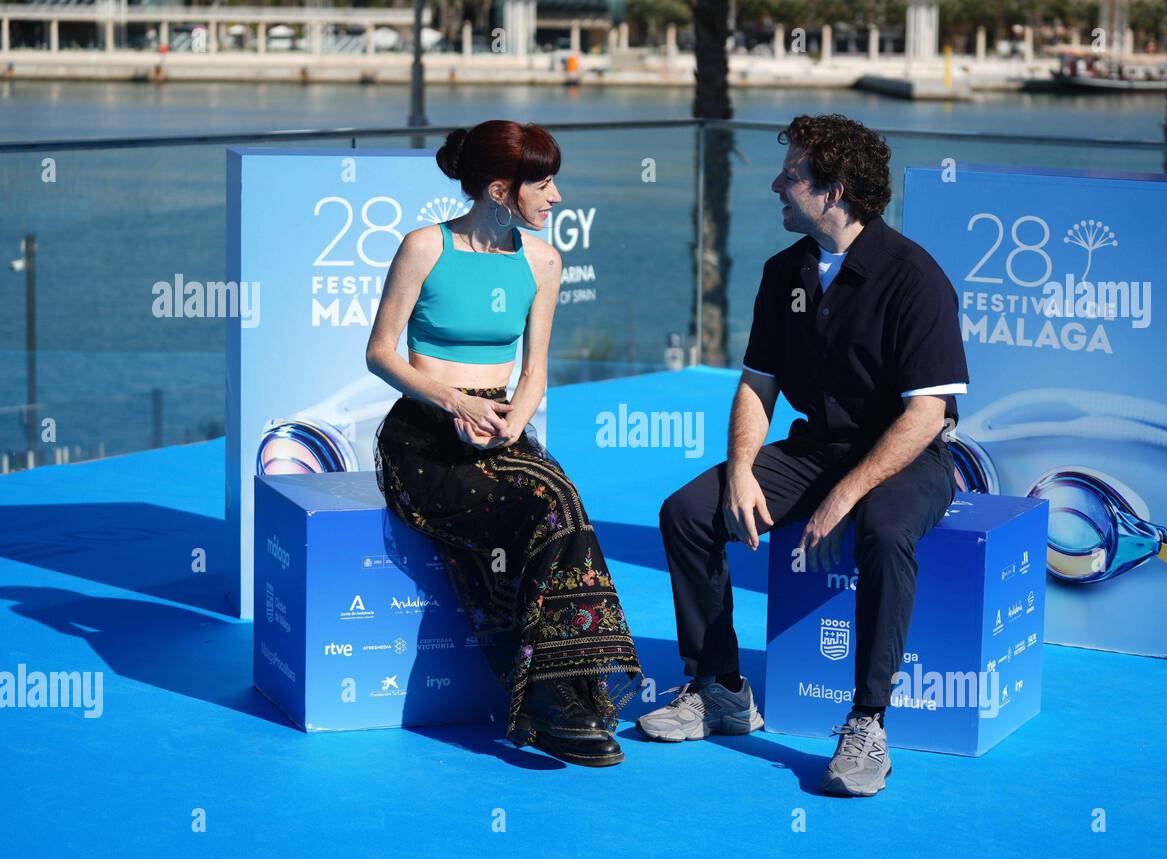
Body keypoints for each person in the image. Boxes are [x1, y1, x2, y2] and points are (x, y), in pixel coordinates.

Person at [643, 114, 968, 796]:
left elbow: (926, 413)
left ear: (835, 191)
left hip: (909, 457)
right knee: (687, 511)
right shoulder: (782, 273)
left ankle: (868, 720)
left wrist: (845, 496)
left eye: (791, 177)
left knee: (881, 530)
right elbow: (758, 385)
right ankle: (721, 687)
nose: (776, 186)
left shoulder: (915, 277)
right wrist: (738, 471)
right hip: (814, 448)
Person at [366, 120, 642, 767]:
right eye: (543, 184)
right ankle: (553, 700)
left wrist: (514, 419)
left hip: (501, 426)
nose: (557, 197)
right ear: (499, 189)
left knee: (560, 501)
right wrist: (456, 402)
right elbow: (380, 354)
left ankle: (558, 695)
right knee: (553, 496)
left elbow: (536, 368)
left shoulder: (543, 261)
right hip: (424, 436)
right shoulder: (423, 248)